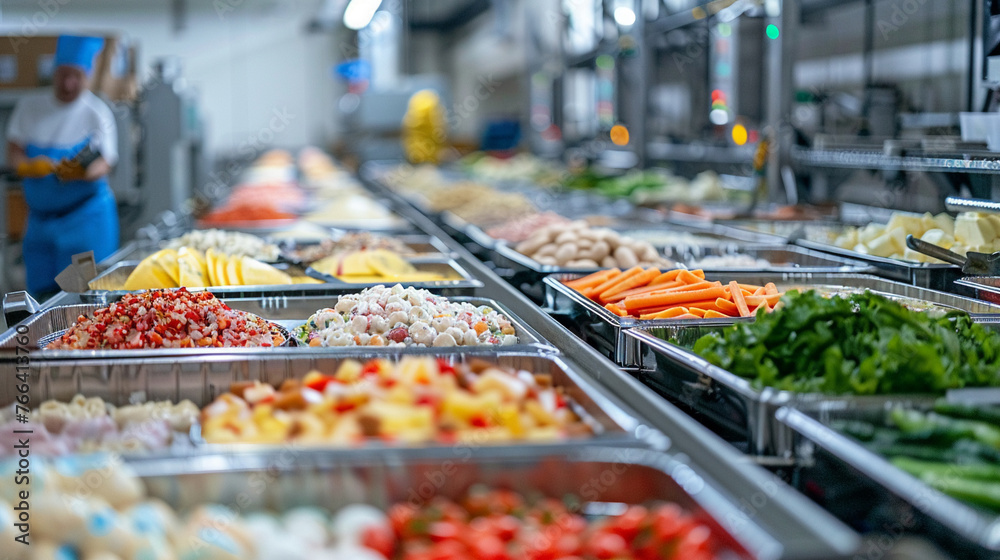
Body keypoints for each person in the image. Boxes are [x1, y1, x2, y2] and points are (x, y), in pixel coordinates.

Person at [6, 34, 119, 296]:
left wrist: (82, 172)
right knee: (42, 296)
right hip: (41, 223)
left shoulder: (97, 113)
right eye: (63, 75)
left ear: (87, 76)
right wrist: (27, 167)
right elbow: (13, 153)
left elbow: (105, 162)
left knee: (84, 294)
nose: (68, 83)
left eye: (76, 76)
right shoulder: (30, 107)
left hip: (85, 222)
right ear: (54, 72)